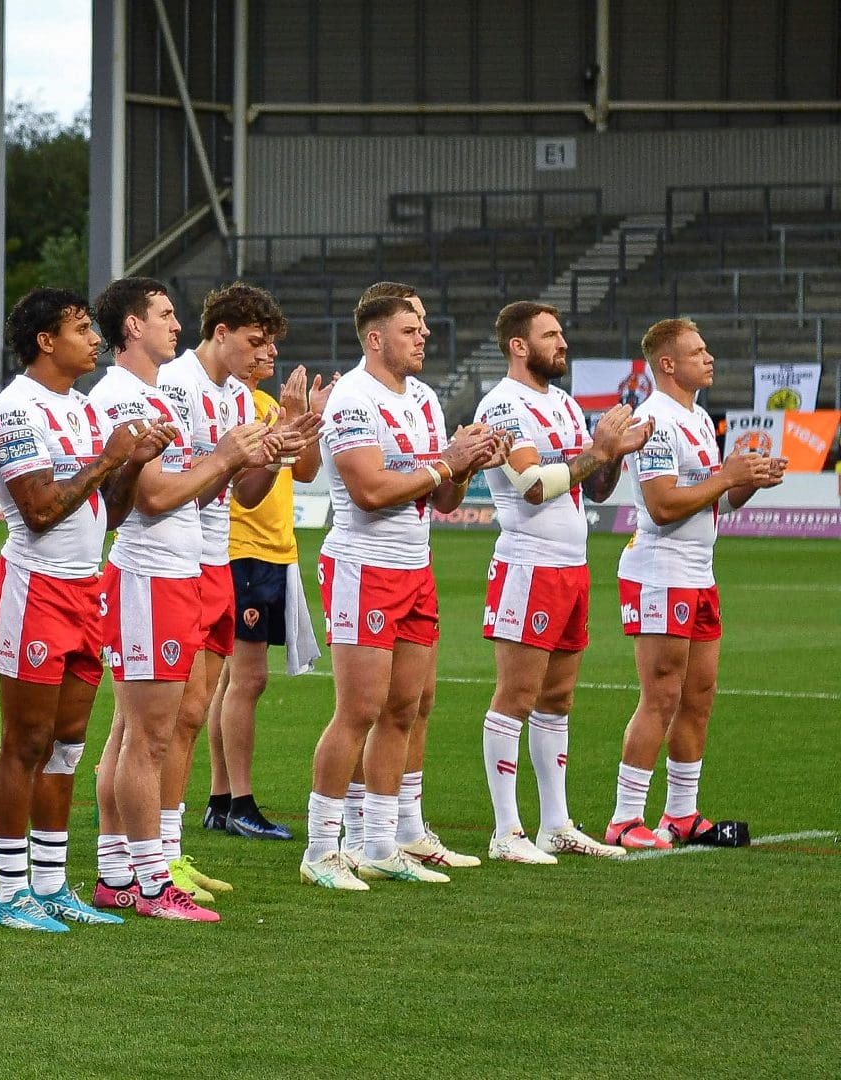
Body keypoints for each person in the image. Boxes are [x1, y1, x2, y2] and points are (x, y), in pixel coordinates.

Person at [84, 277, 296, 922]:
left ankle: (130, 871)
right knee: (145, 734)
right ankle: (147, 879)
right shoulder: (143, 391)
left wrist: (273, 446)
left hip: (186, 566)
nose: (176, 325)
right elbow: (151, 498)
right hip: (153, 570)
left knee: (149, 729)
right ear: (132, 326)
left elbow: (208, 492)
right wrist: (230, 455)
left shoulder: (172, 391)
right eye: (165, 314)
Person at [0, 286, 174, 933]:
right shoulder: (16, 411)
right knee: (25, 743)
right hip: (33, 587)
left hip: (83, 588)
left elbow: (108, 513)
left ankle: (52, 884)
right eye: (82, 328)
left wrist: (128, 464)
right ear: (45, 340)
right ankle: (10, 892)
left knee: (65, 748)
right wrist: (109, 457)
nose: (95, 339)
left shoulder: (84, 410)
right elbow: (38, 510)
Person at [299, 287, 502, 890]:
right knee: (357, 709)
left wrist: (464, 465)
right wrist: (445, 463)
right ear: (375, 338)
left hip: (414, 565)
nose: (423, 337)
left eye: (423, 328)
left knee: (406, 707)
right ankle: (320, 850)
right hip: (363, 565)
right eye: (411, 328)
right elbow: (369, 490)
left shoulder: (424, 399)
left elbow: (439, 499)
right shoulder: (352, 400)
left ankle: (382, 842)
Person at [472, 301, 651, 863]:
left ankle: (556, 825)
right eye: (551, 335)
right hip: (528, 563)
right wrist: (595, 450)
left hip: (571, 566)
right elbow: (529, 482)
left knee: (557, 700)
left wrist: (613, 456)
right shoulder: (503, 405)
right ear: (518, 346)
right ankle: (507, 832)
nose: (563, 343)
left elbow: (592, 489)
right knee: (517, 696)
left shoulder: (567, 406)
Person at [606, 319, 784, 850]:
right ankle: (624, 818)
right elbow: (661, 507)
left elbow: (715, 500)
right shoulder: (654, 420)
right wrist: (727, 477)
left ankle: (681, 815)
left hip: (697, 571)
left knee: (699, 695)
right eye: (697, 351)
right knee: (660, 694)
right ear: (668, 364)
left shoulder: (699, 418)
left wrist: (744, 484)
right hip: (660, 571)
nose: (709, 358)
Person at [155, 282, 306, 892]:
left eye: (268, 343)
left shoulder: (237, 400)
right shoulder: (176, 386)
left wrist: (272, 453)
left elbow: (242, 494)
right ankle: (148, 857)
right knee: (160, 719)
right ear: (220, 333)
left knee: (191, 714)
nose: (260, 353)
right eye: (254, 340)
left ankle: (170, 849)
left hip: (214, 563)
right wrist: (228, 459)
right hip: (171, 562)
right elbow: (160, 488)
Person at [203, 352, 336, 842]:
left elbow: (303, 472)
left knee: (231, 681)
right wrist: (283, 420)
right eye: (257, 342)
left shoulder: (260, 401)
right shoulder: (233, 406)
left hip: (275, 549)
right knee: (249, 679)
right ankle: (240, 802)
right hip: (244, 549)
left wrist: (305, 424)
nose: (270, 354)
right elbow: (242, 488)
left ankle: (221, 800)